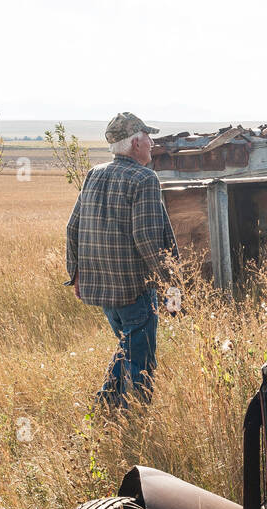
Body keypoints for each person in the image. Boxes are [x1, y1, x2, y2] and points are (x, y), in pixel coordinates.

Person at [66, 111, 177, 409]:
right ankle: (135, 421)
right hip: (133, 291)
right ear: (136, 142)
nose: (153, 143)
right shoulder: (144, 179)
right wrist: (171, 285)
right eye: (148, 137)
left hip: (102, 293)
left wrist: (76, 275)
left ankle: (105, 410)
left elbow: (72, 227)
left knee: (128, 348)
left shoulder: (95, 173)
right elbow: (148, 241)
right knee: (141, 365)